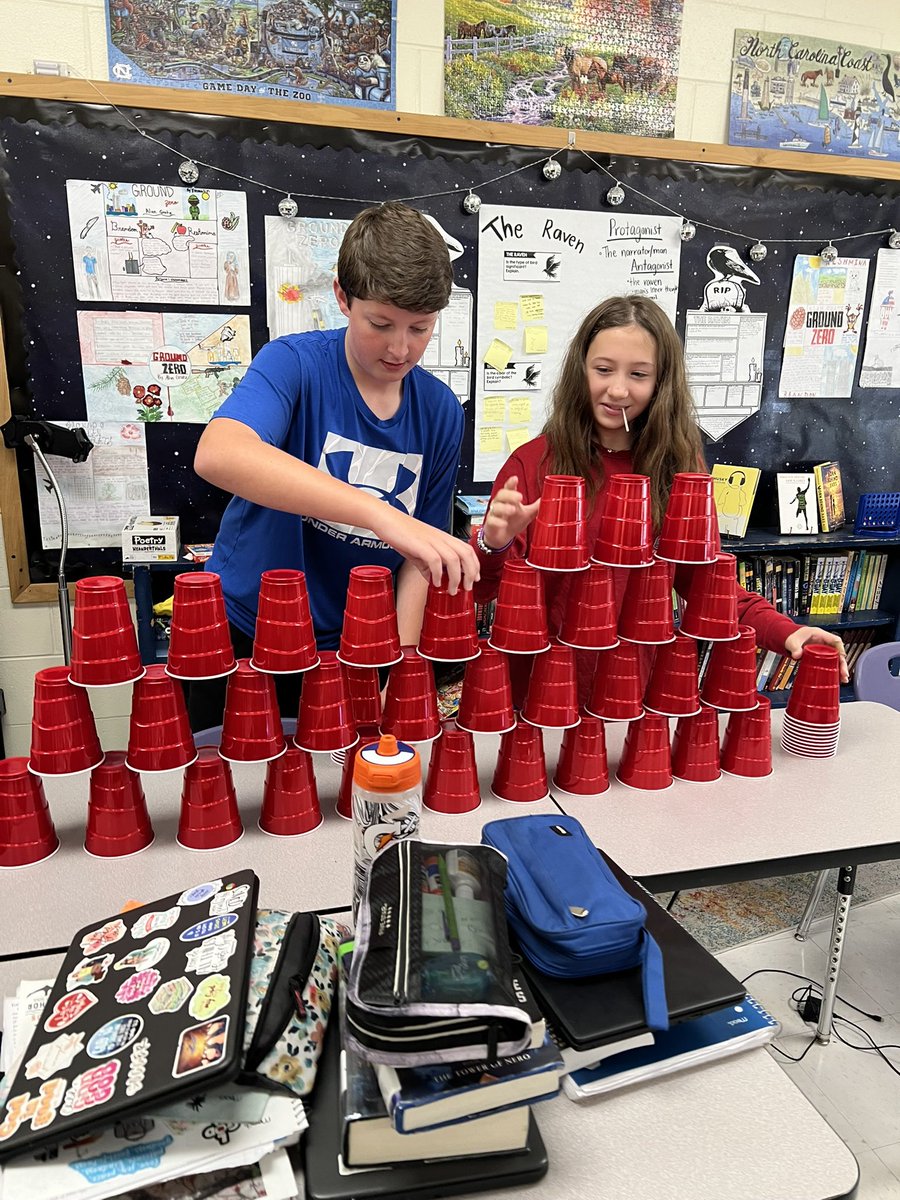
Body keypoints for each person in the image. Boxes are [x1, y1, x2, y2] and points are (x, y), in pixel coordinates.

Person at [472, 295, 848, 705]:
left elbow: (709, 586)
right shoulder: (532, 463)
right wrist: (493, 544)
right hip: (537, 697)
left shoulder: (680, 471)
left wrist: (787, 630)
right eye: (603, 369)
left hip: (633, 698)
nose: (617, 389)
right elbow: (484, 588)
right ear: (580, 369)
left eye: (638, 374)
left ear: (660, 383)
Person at [192, 201, 478, 729]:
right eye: (381, 324)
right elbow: (218, 453)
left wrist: (400, 666)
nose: (400, 348)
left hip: (357, 648)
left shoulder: (439, 410)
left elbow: (420, 556)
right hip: (246, 634)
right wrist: (379, 514)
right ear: (343, 298)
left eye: (420, 328)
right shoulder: (293, 364)